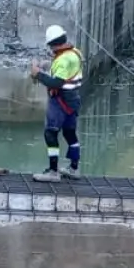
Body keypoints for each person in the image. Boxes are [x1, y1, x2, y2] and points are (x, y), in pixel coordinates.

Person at [29, 24, 83, 182]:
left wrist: (38, 74)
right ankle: (74, 168)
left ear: (52, 44)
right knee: (70, 134)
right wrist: (48, 66)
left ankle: (53, 172)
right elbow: (67, 72)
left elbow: (56, 83)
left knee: (50, 133)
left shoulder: (63, 60)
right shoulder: (74, 53)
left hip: (60, 101)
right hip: (73, 100)